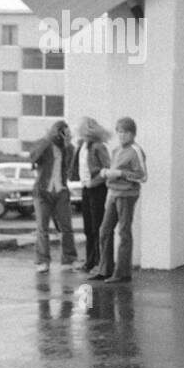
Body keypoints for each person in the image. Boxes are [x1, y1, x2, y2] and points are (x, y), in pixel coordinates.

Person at [90, 117, 147, 284]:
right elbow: (113, 171)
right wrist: (106, 173)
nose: (122, 135)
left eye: (126, 132)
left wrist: (121, 174)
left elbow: (142, 176)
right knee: (105, 230)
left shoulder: (136, 150)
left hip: (127, 195)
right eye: (120, 132)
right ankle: (105, 269)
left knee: (124, 232)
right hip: (113, 193)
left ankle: (122, 272)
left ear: (133, 134)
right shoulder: (115, 151)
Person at [28, 120, 77, 274]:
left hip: (61, 191)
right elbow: (33, 158)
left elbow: (72, 170)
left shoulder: (68, 148)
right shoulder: (44, 144)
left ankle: (68, 259)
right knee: (42, 227)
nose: (63, 135)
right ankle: (42, 261)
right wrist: (48, 138)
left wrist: (68, 144)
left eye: (66, 132)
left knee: (66, 227)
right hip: (42, 191)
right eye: (61, 131)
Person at [73, 117, 111, 275]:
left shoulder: (98, 147)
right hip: (86, 188)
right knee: (88, 227)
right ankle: (90, 261)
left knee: (97, 226)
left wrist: (94, 182)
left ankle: (100, 262)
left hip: (97, 188)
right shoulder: (83, 146)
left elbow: (107, 168)